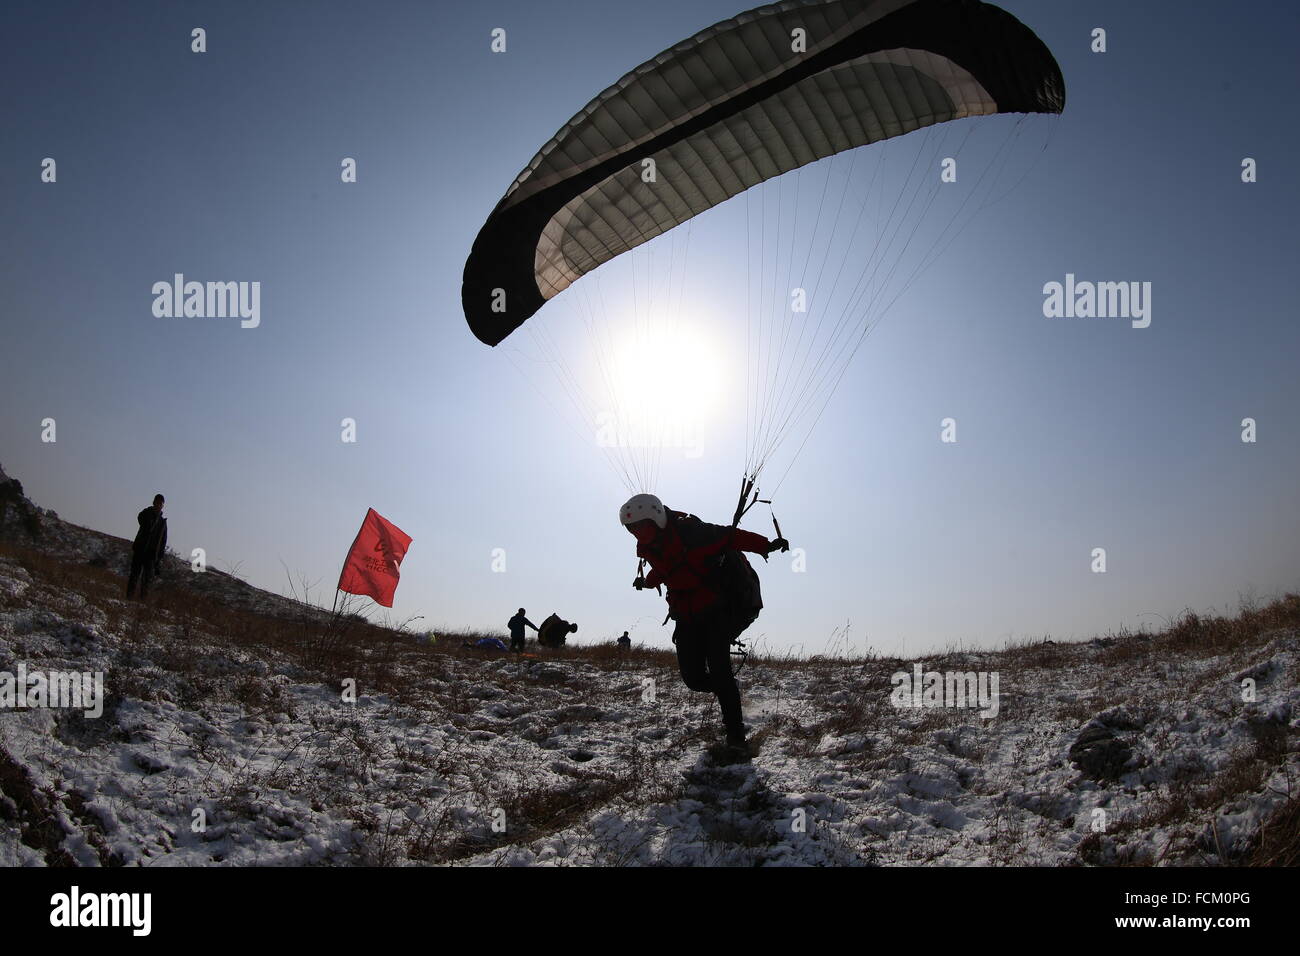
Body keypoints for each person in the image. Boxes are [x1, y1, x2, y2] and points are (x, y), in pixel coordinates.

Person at [620, 492, 788, 757]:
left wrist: (765, 545)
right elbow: (665, 569)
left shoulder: (693, 533)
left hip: (717, 611)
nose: (636, 533)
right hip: (686, 616)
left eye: (640, 526)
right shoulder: (651, 548)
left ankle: (736, 736)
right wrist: (646, 582)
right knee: (693, 678)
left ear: (655, 518)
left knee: (720, 669)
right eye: (632, 529)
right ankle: (729, 692)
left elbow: (731, 537)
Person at [126, 494, 168, 600]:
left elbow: (163, 542)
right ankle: (129, 598)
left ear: (163, 505)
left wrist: (159, 559)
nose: (159, 505)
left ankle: (142, 601)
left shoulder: (162, 523)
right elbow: (140, 518)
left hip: (151, 554)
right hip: (140, 549)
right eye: (157, 502)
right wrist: (149, 510)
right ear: (154, 503)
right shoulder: (146, 514)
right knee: (134, 575)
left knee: (147, 580)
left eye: (160, 503)